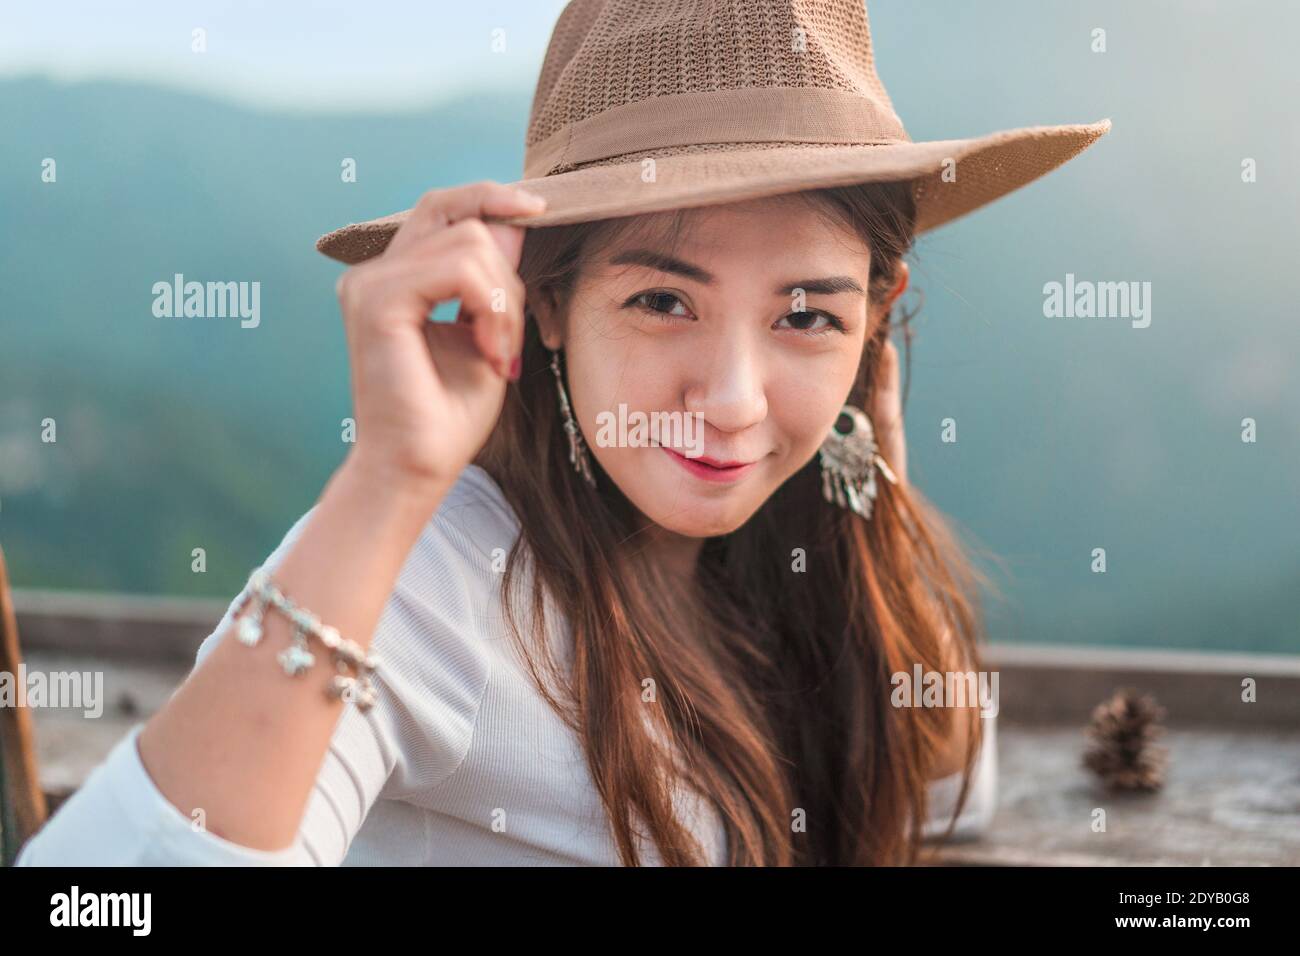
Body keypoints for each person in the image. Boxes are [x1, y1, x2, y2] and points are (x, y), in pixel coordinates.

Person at [17, 0, 1106, 866]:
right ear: (544, 299)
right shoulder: (438, 577)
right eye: (663, 301)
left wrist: (869, 505)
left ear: (876, 318)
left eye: (807, 314)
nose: (732, 397)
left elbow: (942, 784)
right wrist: (386, 482)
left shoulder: (782, 543)